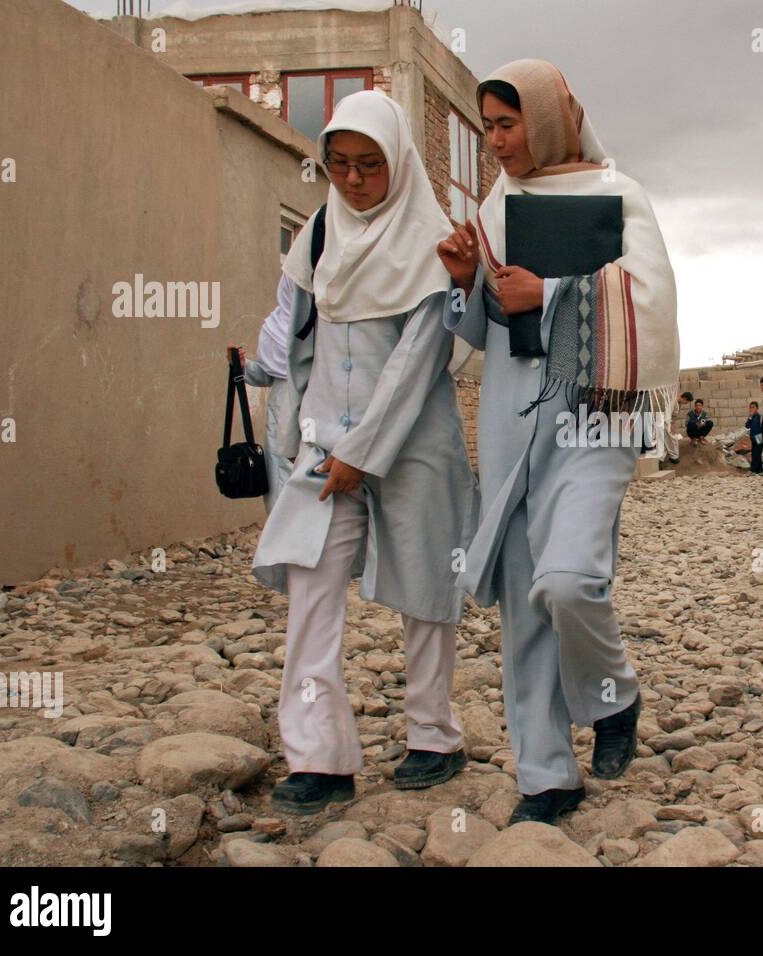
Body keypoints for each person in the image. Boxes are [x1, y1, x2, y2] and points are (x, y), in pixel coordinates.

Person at [436, 59, 678, 825]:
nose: (496, 142)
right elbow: (475, 335)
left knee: (569, 580)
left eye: (507, 124)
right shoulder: (495, 204)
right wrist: (461, 281)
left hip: (595, 415)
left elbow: (651, 299)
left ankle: (614, 696)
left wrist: (551, 292)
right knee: (522, 601)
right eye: (487, 128)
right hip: (511, 419)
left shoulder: (617, 192)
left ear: (544, 119)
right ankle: (546, 777)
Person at [246, 92, 477, 814]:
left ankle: (433, 736)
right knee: (311, 593)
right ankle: (319, 758)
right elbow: (294, 336)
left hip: (411, 443)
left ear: (398, 163)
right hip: (324, 444)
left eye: (369, 165)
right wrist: (296, 433)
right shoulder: (318, 234)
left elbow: (419, 359)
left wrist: (362, 451)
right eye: (338, 165)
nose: (352, 180)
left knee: (424, 592)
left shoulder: (430, 239)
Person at [226, 276, 294, 513]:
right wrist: (243, 366)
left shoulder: (327, 325)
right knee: (280, 487)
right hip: (282, 414)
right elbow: (267, 375)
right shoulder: (279, 324)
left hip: (318, 414)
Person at [659, 390, 690, 465]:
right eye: (687, 402)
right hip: (664, 422)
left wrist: (673, 426)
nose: (686, 404)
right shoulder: (673, 402)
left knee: (667, 443)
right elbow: (668, 415)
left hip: (667, 423)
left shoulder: (678, 404)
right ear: (684, 398)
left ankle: (662, 460)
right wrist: (670, 426)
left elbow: (674, 418)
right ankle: (674, 457)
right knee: (672, 439)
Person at [745, 401, 763, 473]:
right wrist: (750, 417)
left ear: (757, 408)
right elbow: (747, 426)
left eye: (753, 407)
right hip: (753, 437)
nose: (751, 409)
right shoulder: (751, 417)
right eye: (750, 407)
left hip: (759, 437)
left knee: (757, 453)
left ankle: (753, 470)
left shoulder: (759, 417)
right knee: (754, 453)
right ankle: (759, 470)